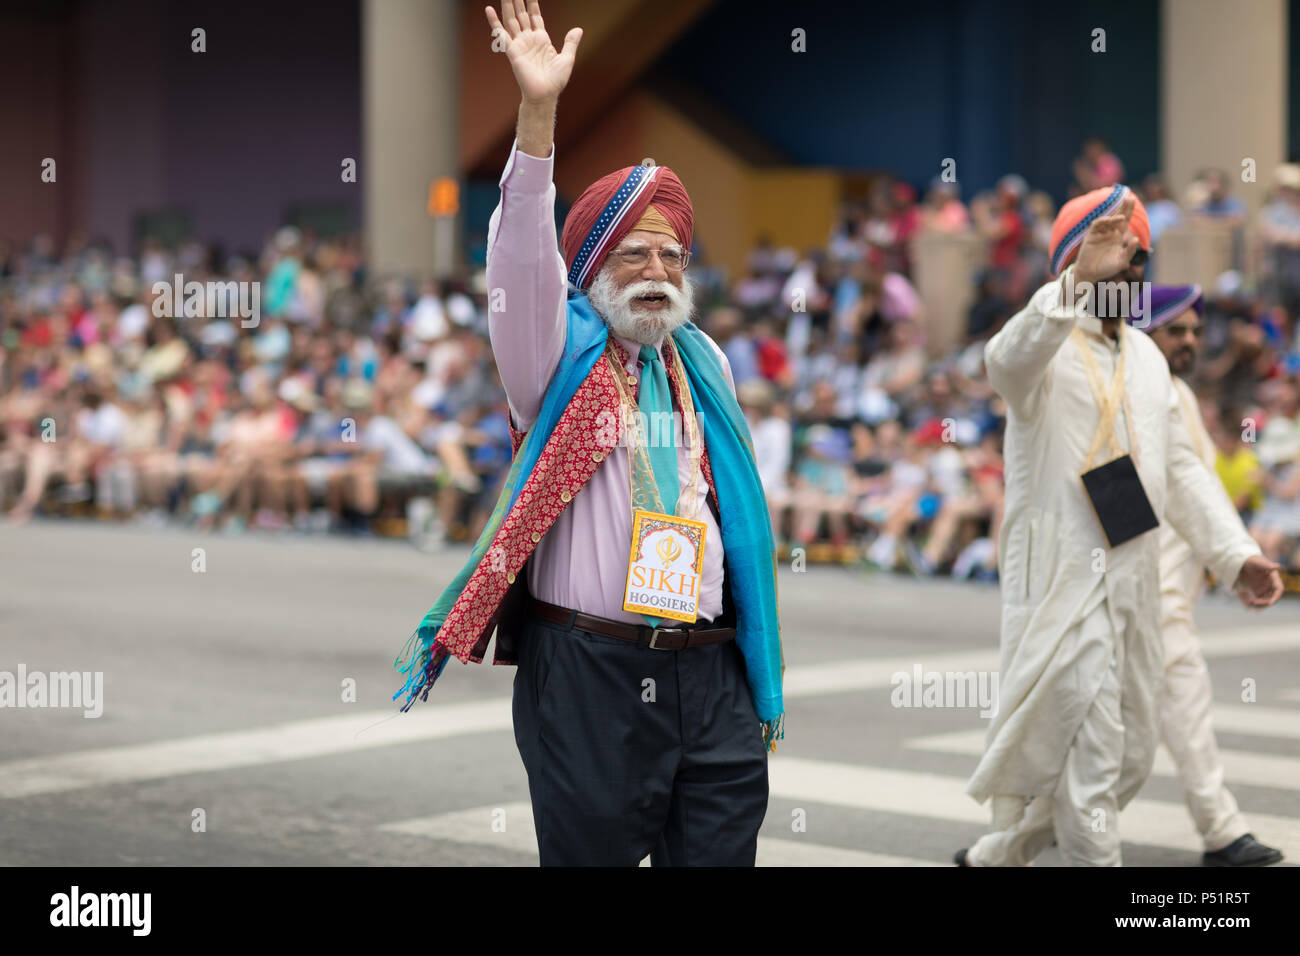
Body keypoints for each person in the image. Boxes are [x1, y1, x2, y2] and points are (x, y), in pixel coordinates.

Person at [392, 0, 783, 867]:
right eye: (632, 255)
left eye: (671, 256)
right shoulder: (552, 354)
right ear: (591, 269)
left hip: (711, 671)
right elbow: (523, 261)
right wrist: (538, 117)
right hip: (591, 675)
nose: (656, 273)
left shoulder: (705, 360)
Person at [957, 185, 1283, 867]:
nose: (1128, 270)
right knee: (1096, 749)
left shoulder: (1149, 358)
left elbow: (1186, 472)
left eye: (1137, 258)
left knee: (1126, 750)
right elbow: (1005, 361)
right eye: (1112, 254)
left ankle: (1000, 854)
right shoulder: (1043, 349)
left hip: (1134, 577)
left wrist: (1236, 554)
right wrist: (1079, 282)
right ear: (1070, 267)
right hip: (1063, 580)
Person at [1135, 284, 1283, 866]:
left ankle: (1019, 830)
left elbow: (1199, 488)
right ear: (1145, 333)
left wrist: (1236, 560)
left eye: (1196, 331)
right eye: (1177, 330)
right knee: (1117, 724)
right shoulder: (1127, 394)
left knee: (1101, 731)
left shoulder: (1180, 397)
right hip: (1138, 592)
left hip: (1167, 595)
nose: (1190, 340)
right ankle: (1222, 833)